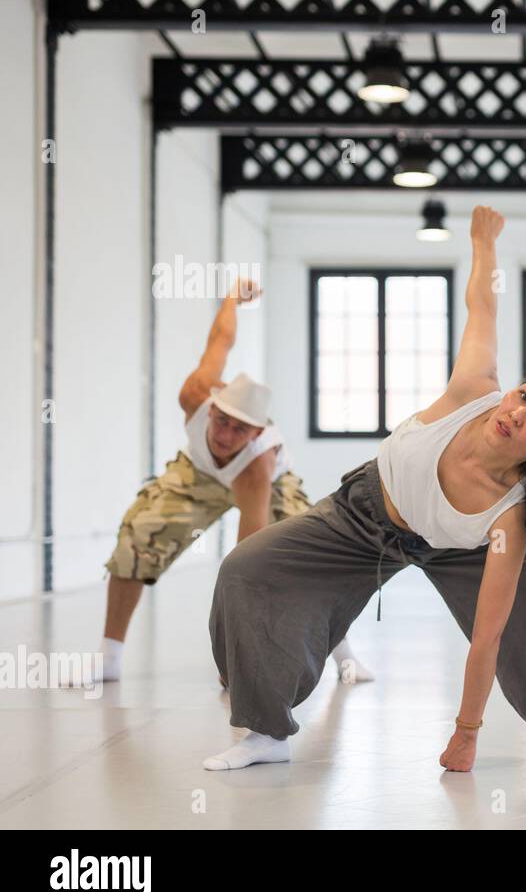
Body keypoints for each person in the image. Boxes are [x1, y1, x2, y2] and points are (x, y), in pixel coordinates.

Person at [203, 206, 526, 772]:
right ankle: (265, 733)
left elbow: (487, 637)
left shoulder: (510, 518)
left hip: (462, 545)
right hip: (364, 516)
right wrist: (483, 242)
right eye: (525, 395)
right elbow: (484, 305)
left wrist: (467, 733)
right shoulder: (473, 389)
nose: (517, 413)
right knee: (248, 568)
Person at [92, 280, 370, 685]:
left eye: (239, 430)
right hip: (198, 471)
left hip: (270, 485)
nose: (224, 435)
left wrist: (235, 657)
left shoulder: (258, 465)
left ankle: (344, 656)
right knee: (137, 535)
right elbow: (220, 339)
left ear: (256, 435)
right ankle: (108, 658)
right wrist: (231, 299)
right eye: (221, 421)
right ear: (213, 407)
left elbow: (247, 561)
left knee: (313, 562)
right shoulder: (195, 395)